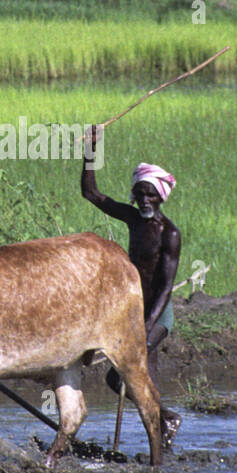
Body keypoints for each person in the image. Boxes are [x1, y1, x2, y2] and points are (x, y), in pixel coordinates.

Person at [81, 125, 182, 446]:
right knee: (140, 378)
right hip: (132, 310)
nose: (143, 200)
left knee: (120, 375)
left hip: (157, 316)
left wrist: (146, 324)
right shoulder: (134, 219)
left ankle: (164, 420)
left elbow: (166, 287)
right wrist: (91, 150)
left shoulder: (170, 234)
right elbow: (91, 193)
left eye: (150, 194)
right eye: (139, 193)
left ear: (161, 197)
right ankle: (165, 421)